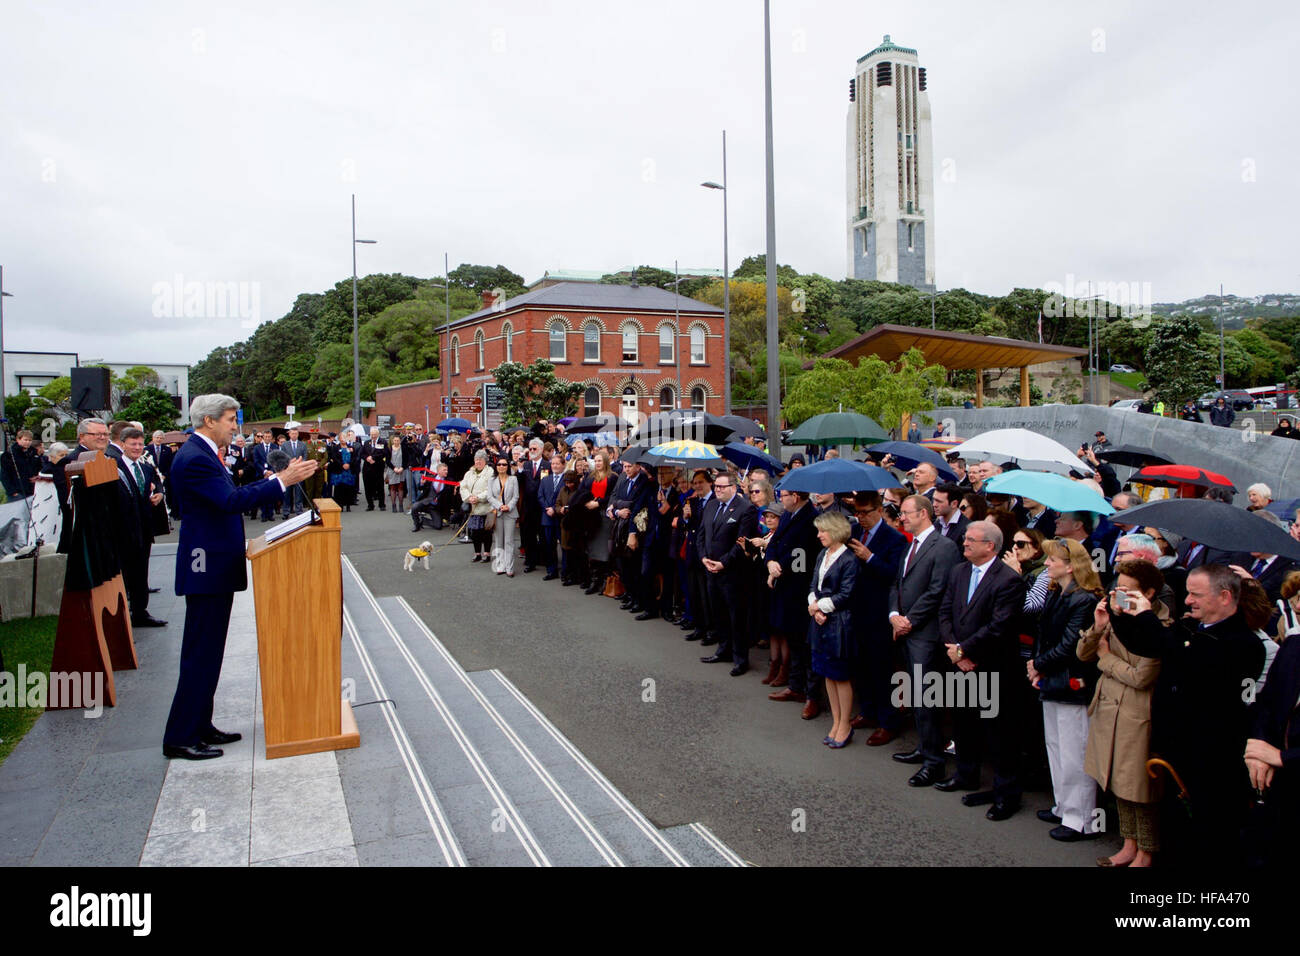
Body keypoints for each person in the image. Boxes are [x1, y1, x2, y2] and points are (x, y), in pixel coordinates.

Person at [163, 394, 316, 760]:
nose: (236, 426)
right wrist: (281, 481)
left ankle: (201, 724)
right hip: (206, 568)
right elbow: (230, 502)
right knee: (200, 654)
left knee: (209, 652)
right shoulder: (195, 458)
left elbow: (223, 501)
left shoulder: (202, 453)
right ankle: (181, 736)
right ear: (209, 420)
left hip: (214, 562)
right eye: (231, 419)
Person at [1108, 564, 1264, 865]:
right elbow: (1148, 645)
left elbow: (1193, 662)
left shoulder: (1243, 642)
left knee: (1207, 838)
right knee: (1174, 830)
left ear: (1224, 596)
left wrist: (1146, 616)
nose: (1188, 600)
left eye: (1196, 594)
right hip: (1175, 748)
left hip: (1211, 758)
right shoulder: (1191, 627)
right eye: (1188, 593)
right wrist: (1120, 616)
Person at [1078, 559, 1165, 867]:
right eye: (1119, 588)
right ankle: (1128, 845)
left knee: (1139, 788)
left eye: (1130, 590)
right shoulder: (1114, 614)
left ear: (1150, 593)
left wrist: (1106, 660)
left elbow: (1143, 676)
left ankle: (1146, 852)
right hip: (1108, 706)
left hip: (1136, 712)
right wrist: (1098, 627)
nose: (1121, 595)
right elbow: (1083, 654)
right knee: (1117, 782)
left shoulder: (1160, 623)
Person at [1028, 537, 1103, 842]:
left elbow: (1070, 646)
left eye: (1052, 561)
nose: (1046, 564)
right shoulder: (1059, 592)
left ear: (1071, 566)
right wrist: (1038, 664)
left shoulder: (1083, 599)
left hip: (1072, 681)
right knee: (1056, 747)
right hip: (1053, 678)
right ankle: (1063, 805)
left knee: (1075, 752)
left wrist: (1038, 664)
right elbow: (1044, 636)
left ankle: (1080, 818)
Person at [888, 495, 962, 786]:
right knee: (916, 696)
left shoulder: (944, 547)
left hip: (926, 634)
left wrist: (909, 621)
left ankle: (935, 762)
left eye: (906, 513)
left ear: (923, 513)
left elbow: (938, 590)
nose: (902, 518)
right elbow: (898, 584)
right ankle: (924, 748)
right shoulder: (910, 545)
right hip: (905, 629)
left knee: (926, 699)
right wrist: (894, 613)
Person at [847, 491, 908, 745]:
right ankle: (868, 711)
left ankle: (888, 721)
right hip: (855, 609)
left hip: (880, 612)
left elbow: (895, 575)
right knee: (860, 666)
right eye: (857, 512)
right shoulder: (853, 531)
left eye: (866, 513)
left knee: (882, 670)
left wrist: (869, 557)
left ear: (880, 510)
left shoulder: (894, 539)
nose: (860, 518)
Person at [807, 512, 860, 747]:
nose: (818, 535)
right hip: (820, 621)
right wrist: (813, 605)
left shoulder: (849, 559)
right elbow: (813, 584)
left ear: (836, 530)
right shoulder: (822, 554)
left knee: (840, 675)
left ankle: (845, 724)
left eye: (822, 531)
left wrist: (820, 607)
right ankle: (836, 721)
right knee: (826, 672)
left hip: (840, 623)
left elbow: (847, 594)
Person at [698, 469, 759, 676]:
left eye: (722, 487)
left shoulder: (745, 509)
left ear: (733, 488)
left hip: (733, 573)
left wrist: (723, 563)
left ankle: (740, 658)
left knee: (737, 617)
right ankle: (723, 649)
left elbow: (741, 542)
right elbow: (702, 534)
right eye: (716, 487)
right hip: (710, 568)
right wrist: (703, 557)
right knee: (719, 613)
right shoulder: (711, 505)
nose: (718, 490)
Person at [118, 427, 167, 628]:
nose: (137, 448)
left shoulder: (145, 467)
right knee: (125, 573)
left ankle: (140, 612)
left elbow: (157, 482)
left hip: (144, 529)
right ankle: (121, 614)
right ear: (122, 445)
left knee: (141, 571)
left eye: (140, 444)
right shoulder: (114, 467)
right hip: (123, 530)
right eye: (133, 444)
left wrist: (160, 494)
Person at [459, 450, 495, 563]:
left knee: (486, 532)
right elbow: (463, 487)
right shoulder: (469, 473)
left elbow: (490, 489)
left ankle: (487, 553)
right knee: (475, 532)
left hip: (486, 507)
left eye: (480, 459)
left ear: (485, 461)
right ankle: (477, 553)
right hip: (473, 508)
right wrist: (469, 497)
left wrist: (478, 498)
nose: (478, 461)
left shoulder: (490, 472)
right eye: (476, 459)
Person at [489, 457, 520, 576]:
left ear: (508, 466)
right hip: (498, 512)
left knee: (509, 541)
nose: (501, 466)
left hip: (510, 513)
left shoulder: (513, 479)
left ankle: (509, 567)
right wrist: (500, 506)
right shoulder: (492, 480)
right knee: (498, 540)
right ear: (496, 467)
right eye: (499, 464)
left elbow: (516, 496)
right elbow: (489, 496)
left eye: (504, 464)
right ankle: (500, 566)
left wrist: (509, 506)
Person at [537, 454, 567, 580]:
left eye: (557, 464)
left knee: (564, 546)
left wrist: (555, 510)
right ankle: (551, 570)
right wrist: (547, 508)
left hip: (561, 518)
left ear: (563, 465)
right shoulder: (545, 479)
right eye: (553, 463)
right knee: (550, 545)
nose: (554, 466)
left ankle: (565, 572)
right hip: (547, 517)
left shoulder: (567, 479)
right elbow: (540, 496)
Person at [361, 427, 390, 512]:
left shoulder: (383, 442)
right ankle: (370, 505)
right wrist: (367, 458)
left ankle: (382, 504)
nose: (373, 436)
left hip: (378, 468)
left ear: (378, 434)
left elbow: (385, 453)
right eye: (371, 434)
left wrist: (373, 458)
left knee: (380, 487)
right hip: (367, 469)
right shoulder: (366, 443)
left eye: (374, 434)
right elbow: (362, 454)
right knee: (367, 487)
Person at [385, 435, 407, 513]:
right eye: (395, 440)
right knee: (393, 488)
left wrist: (402, 468)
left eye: (398, 440)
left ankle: (401, 505)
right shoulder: (389, 449)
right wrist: (394, 468)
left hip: (401, 469)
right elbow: (387, 461)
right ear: (392, 441)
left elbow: (405, 459)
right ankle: (393, 505)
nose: (396, 442)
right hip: (392, 470)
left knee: (401, 488)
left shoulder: (403, 448)